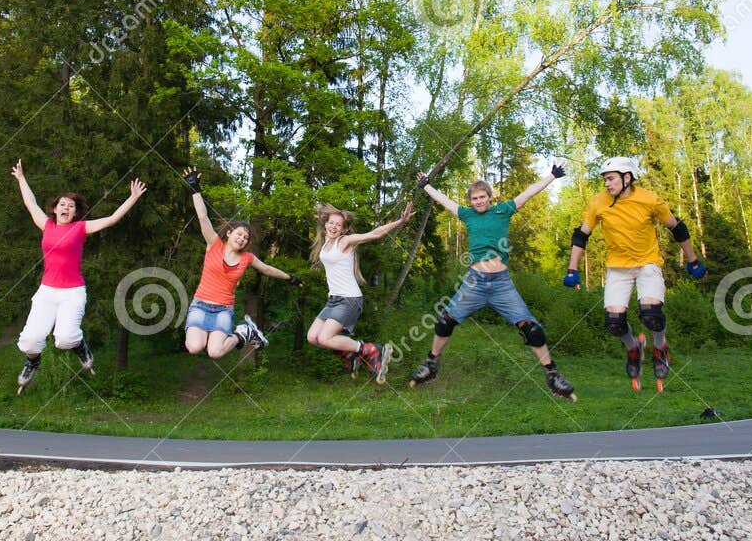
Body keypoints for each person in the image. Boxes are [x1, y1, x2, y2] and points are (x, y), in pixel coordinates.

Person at [409, 166, 577, 400]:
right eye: (474, 198)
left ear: (490, 197)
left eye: (482, 197)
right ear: (471, 201)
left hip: (501, 285)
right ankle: (431, 364)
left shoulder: (503, 211)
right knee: (444, 322)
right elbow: (444, 201)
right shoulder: (467, 215)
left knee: (532, 329)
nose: (478, 201)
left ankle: (552, 375)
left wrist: (552, 176)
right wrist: (426, 185)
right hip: (474, 283)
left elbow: (529, 193)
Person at [561, 157, 705, 393]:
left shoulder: (649, 199)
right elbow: (581, 235)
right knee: (613, 322)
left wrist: (693, 259)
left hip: (648, 264)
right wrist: (572, 269)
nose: (607, 184)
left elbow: (677, 227)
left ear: (627, 178)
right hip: (618, 268)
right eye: (605, 180)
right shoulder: (598, 202)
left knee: (651, 315)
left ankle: (660, 347)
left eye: (611, 179)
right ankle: (633, 348)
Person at [12, 160, 146, 394]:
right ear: (55, 209)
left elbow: (112, 219)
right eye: (62, 204)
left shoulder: (81, 228)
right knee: (29, 341)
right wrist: (22, 178)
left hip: (72, 292)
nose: (66, 208)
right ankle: (32, 362)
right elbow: (30, 203)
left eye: (71, 206)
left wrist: (132, 197)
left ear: (75, 212)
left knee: (64, 338)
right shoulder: (46, 225)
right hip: (47, 291)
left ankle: (81, 347)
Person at [182, 166, 299, 359]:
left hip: (223, 310)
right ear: (229, 233)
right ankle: (245, 331)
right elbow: (203, 216)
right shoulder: (214, 244)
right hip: (200, 305)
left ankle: (243, 332)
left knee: (215, 352)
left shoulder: (247, 258)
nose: (242, 239)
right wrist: (195, 189)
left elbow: (267, 269)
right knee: (194, 347)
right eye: (239, 234)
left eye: (246, 238)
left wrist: (289, 278)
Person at [307, 200, 415, 385]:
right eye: (331, 223)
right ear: (325, 224)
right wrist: (319, 212)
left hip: (349, 299)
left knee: (324, 338)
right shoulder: (326, 242)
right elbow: (322, 218)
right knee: (312, 337)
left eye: (338, 225)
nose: (334, 227)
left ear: (344, 229)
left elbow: (375, 234)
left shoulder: (344, 242)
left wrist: (400, 221)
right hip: (333, 300)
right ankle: (350, 355)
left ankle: (373, 350)